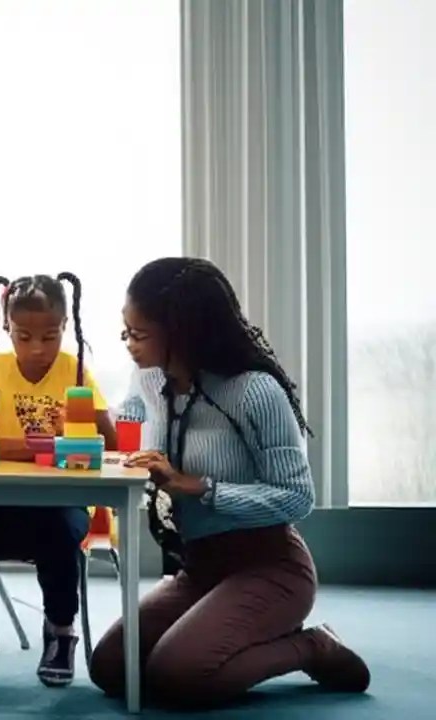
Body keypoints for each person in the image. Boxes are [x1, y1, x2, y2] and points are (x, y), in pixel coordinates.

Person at [89, 256, 370, 707]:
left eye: (138, 334)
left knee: (177, 676)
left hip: (270, 566)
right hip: (199, 568)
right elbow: (128, 425)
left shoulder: (254, 391)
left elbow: (297, 497)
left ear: (181, 332)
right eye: (125, 331)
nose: (128, 344)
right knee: (110, 666)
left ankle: (311, 647)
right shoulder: (147, 380)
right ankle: (221, 631)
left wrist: (200, 487)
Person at [0, 273, 117, 688]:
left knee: (58, 530)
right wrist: (52, 444)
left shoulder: (76, 372)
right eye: (24, 337)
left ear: (64, 329)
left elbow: (110, 446)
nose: (37, 349)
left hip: (61, 505)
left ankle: (61, 633)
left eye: (50, 336)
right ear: (7, 329)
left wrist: (80, 423)